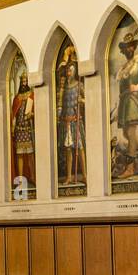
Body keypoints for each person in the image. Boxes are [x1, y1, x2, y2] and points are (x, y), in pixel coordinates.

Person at [113, 30, 138, 165]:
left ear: (134, 47)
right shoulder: (123, 68)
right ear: (123, 50)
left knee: (130, 132)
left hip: (133, 100)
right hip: (125, 101)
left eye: (130, 46)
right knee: (126, 133)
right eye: (125, 47)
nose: (128, 49)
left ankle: (130, 165)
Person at [55, 45, 84, 186]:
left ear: (74, 72)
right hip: (65, 120)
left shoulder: (79, 85)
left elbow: (88, 99)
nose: (68, 73)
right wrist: (59, 114)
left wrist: (82, 100)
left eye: (71, 71)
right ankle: (69, 177)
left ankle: (84, 175)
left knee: (80, 148)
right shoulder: (63, 87)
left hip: (75, 120)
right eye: (68, 71)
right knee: (68, 150)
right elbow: (60, 102)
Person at [9, 71, 36, 188]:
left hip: (28, 129)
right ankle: (20, 180)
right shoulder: (16, 98)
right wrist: (13, 126)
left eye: (26, 81)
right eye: (23, 81)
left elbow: (37, 111)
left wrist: (32, 114)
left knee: (30, 155)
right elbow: (13, 114)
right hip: (19, 130)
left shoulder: (32, 95)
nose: (24, 83)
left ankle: (33, 177)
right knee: (19, 155)